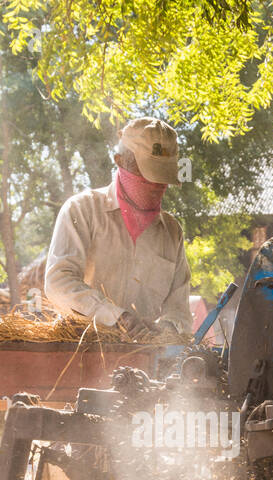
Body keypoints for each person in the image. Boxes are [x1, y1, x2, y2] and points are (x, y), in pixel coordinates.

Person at [44, 117, 192, 336]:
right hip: (78, 352)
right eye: (148, 174)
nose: (158, 185)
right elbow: (58, 282)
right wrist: (116, 317)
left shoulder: (171, 232)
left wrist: (165, 329)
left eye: (163, 176)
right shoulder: (82, 210)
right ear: (120, 161)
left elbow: (179, 311)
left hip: (145, 360)